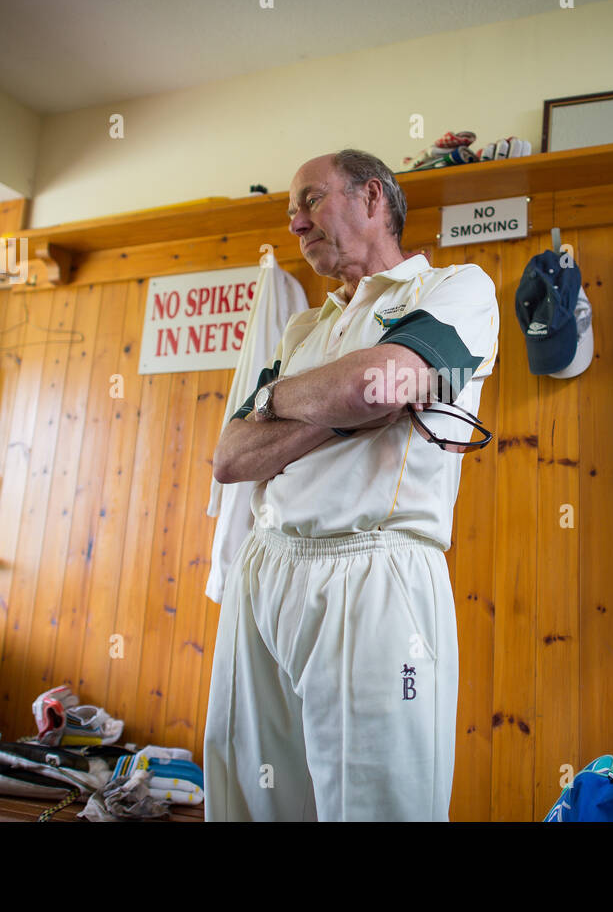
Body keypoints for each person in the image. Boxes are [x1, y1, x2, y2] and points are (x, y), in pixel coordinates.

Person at [204, 149, 499, 821]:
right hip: (266, 570)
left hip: (375, 577)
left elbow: (378, 382)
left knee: (375, 802)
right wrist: (341, 408)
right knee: (254, 800)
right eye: (288, 213)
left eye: (310, 200)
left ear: (372, 198)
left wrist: (312, 404)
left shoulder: (455, 289)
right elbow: (229, 457)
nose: (295, 224)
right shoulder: (303, 327)